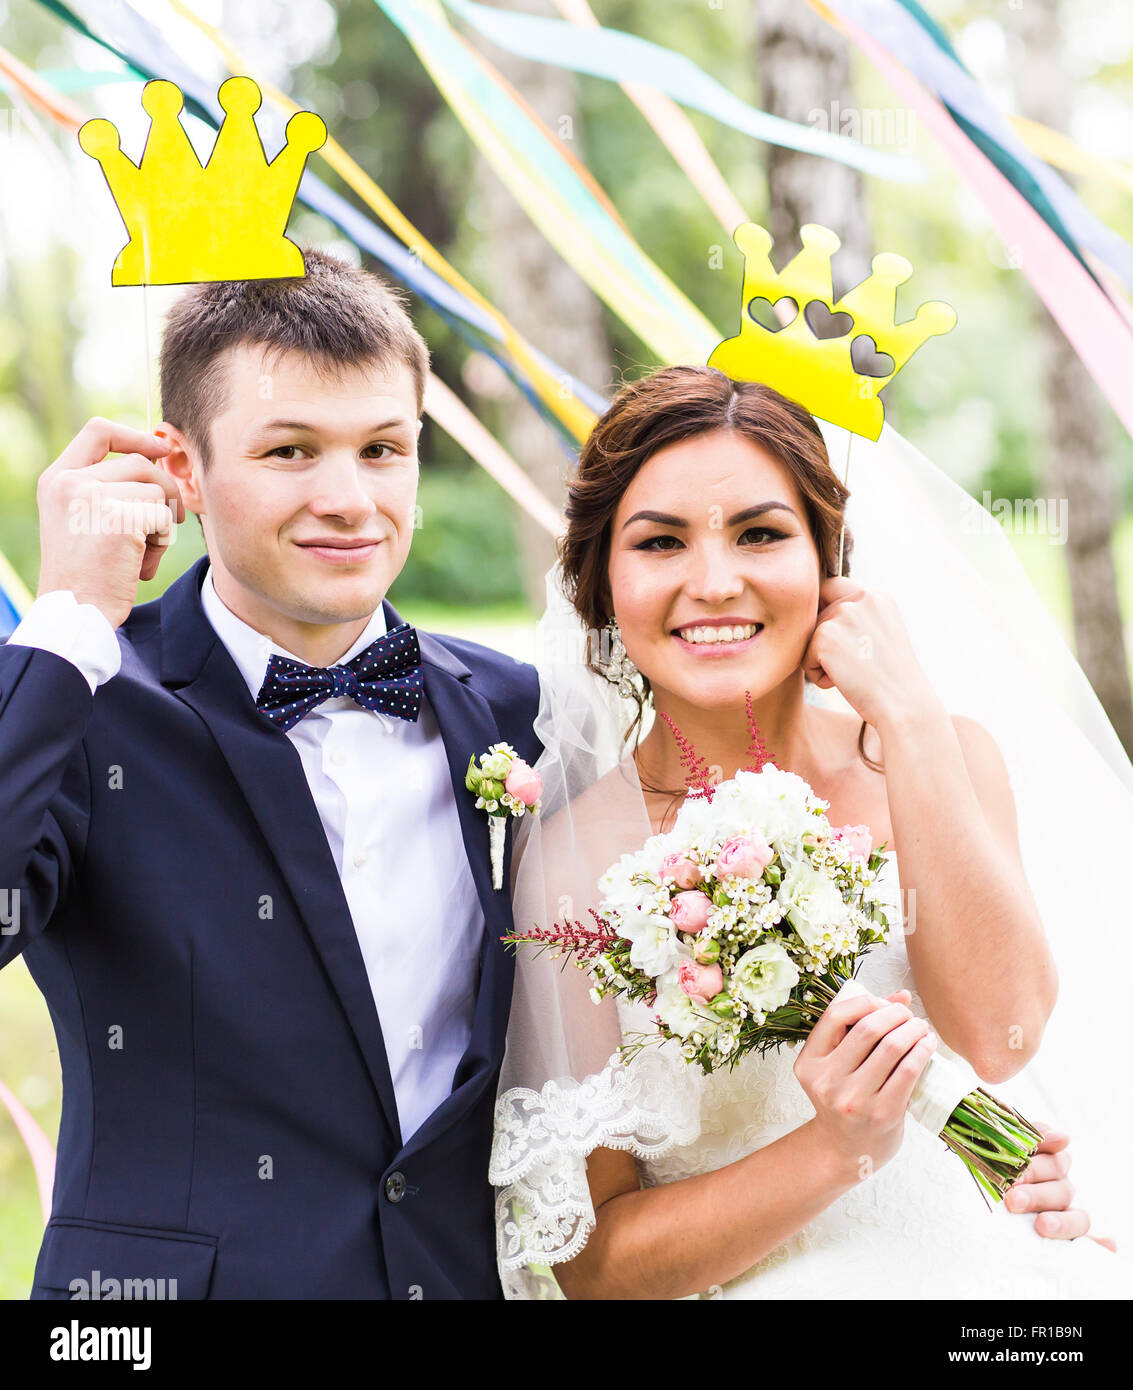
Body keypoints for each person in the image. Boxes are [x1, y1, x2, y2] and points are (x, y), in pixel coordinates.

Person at [491, 365, 1131, 1300]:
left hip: (981, 1263)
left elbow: (1000, 1041)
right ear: (598, 584)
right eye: (660, 542)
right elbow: (595, 1269)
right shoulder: (574, 864)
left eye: (759, 533)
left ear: (828, 566)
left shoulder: (941, 755)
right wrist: (835, 1148)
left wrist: (908, 723)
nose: (714, 582)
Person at [0, 249, 540, 1299]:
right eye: (290, 450)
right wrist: (65, 617)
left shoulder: (513, 707)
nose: (349, 499)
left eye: (382, 449)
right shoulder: (79, 704)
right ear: (182, 472)